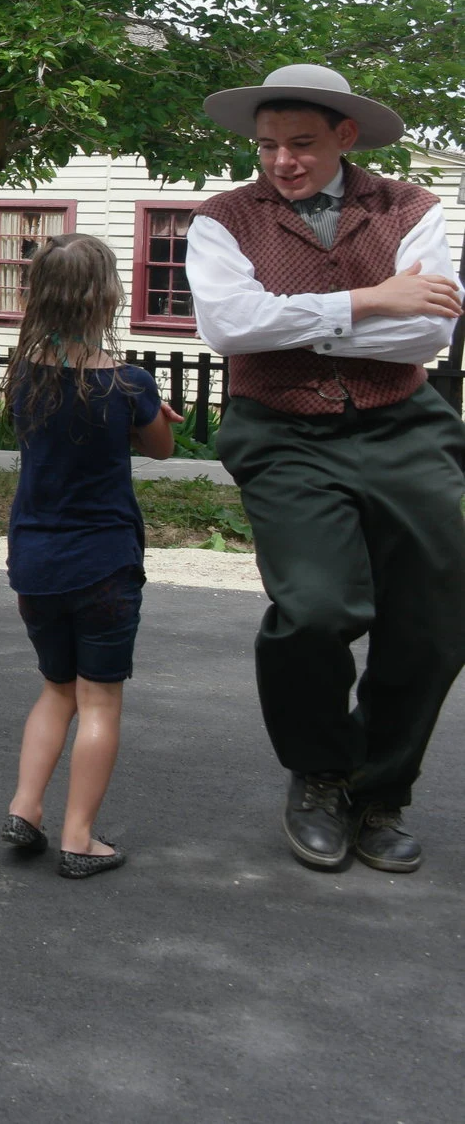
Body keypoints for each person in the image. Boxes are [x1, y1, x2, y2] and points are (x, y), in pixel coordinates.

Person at [186, 63, 465, 874]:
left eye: (301, 143)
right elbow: (231, 327)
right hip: (281, 428)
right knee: (314, 607)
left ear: (345, 136)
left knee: (434, 616)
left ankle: (381, 790)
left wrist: (294, 322)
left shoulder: (414, 209)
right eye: (267, 144)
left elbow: (427, 336)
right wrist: (372, 301)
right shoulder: (224, 219)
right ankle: (319, 771)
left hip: (404, 423)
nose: (281, 161)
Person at [0, 235, 179, 880]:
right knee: (99, 700)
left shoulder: (24, 378)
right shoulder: (128, 382)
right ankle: (79, 838)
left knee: (56, 688)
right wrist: (153, 412)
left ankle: (26, 807)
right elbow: (159, 448)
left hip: (36, 563)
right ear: (109, 296)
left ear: (36, 295)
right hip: (104, 563)